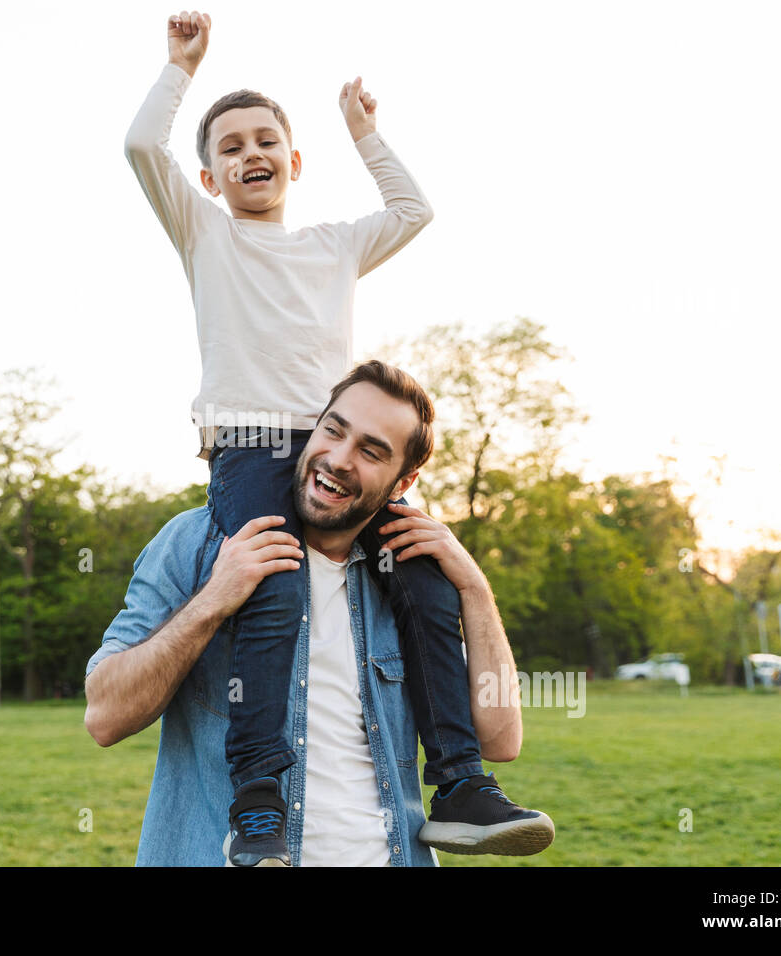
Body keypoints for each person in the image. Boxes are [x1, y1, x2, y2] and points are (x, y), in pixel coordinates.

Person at [123, 11, 550, 865]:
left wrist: (367, 131)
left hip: (337, 450)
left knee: (426, 579)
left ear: (294, 159)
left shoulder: (332, 245)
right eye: (231, 146)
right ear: (208, 177)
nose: (251, 154)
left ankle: (460, 781)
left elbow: (414, 206)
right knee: (271, 593)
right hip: (251, 447)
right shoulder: (206, 234)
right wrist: (181, 70)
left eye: (266, 140)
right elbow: (141, 149)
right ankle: (259, 804)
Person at [85, 362, 554, 866]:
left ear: (404, 482)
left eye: (371, 451)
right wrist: (214, 600)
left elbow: (501, 738)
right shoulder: (198, 545)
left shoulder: (410, 582)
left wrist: (475, 589)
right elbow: (106, 718)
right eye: (333, 430)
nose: (338, 458)